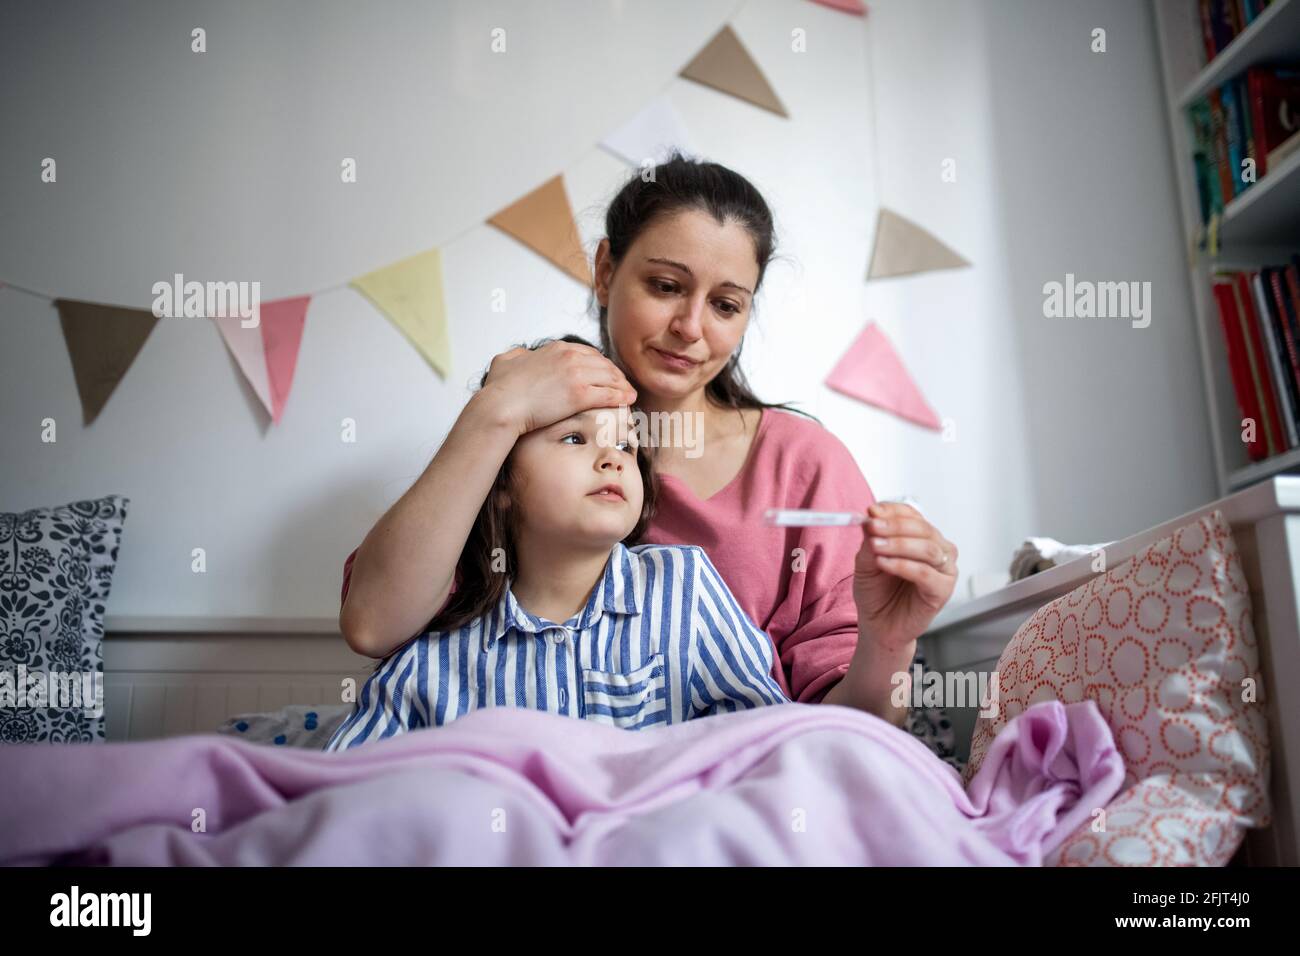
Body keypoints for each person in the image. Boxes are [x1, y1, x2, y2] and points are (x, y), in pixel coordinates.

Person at [338, 151, 959, 737]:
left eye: (724, 304)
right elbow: (373, 623)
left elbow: (855, 738)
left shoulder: (805, 466)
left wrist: (888, 645)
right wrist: (494, 412)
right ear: (606, 271)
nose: (690, 328)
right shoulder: (522, 430)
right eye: (665, 286)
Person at [327, 338, 790, 750]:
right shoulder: (436, 640)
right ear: (500, 478)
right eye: (573, 438)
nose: (612, 459)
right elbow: (362, 784)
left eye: (626, 446)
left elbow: (764, 735)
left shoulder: (684, 587)